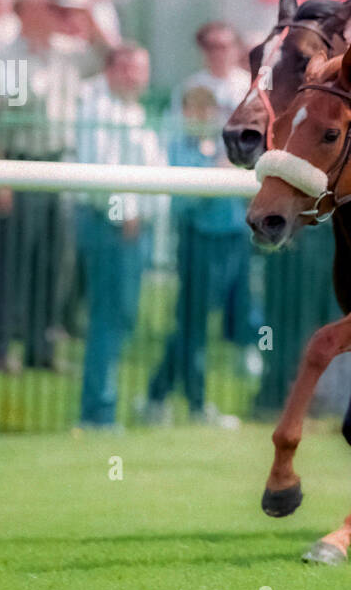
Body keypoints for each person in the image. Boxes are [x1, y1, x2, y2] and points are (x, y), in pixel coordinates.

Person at [0, 0, 110, 373]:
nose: (56, 13)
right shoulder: (5, 57)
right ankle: (1, 349)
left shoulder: (66, 52)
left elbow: (109, 55)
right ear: (25, 12)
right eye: (47, 6)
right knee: (13, 262)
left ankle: (42, 348)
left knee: (50, 261)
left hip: (57, 165)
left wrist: (87, 10)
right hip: (20, 162)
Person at [143, 82, 253, 430]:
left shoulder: (226, 146)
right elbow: (181, 200)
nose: (204, 115)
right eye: (196, 108)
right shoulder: (178, 147)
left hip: (231, 240)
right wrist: (213, 174)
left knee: (193, 324)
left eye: (209, 108)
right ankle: (193, 402)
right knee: (193, 324)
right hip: (198, 241)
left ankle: (156, 396)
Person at [73, 43, 166, 430]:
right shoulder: (99, 109)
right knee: (109, 317)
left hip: (134, 230)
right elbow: (99, 170)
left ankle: (102, 404)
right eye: (126, 67)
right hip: (110, 226)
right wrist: (126, 211)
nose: (134, 75)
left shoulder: (136, 112)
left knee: (122, 317)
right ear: (110, 70)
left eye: (140, 68)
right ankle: (98, 410)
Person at [171, 21, 251, 120]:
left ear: (237, 49)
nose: (217, 54)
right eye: (212, 47)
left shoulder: (251, 85)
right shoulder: (190, 87)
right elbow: (179, 124)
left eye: (223, 47)